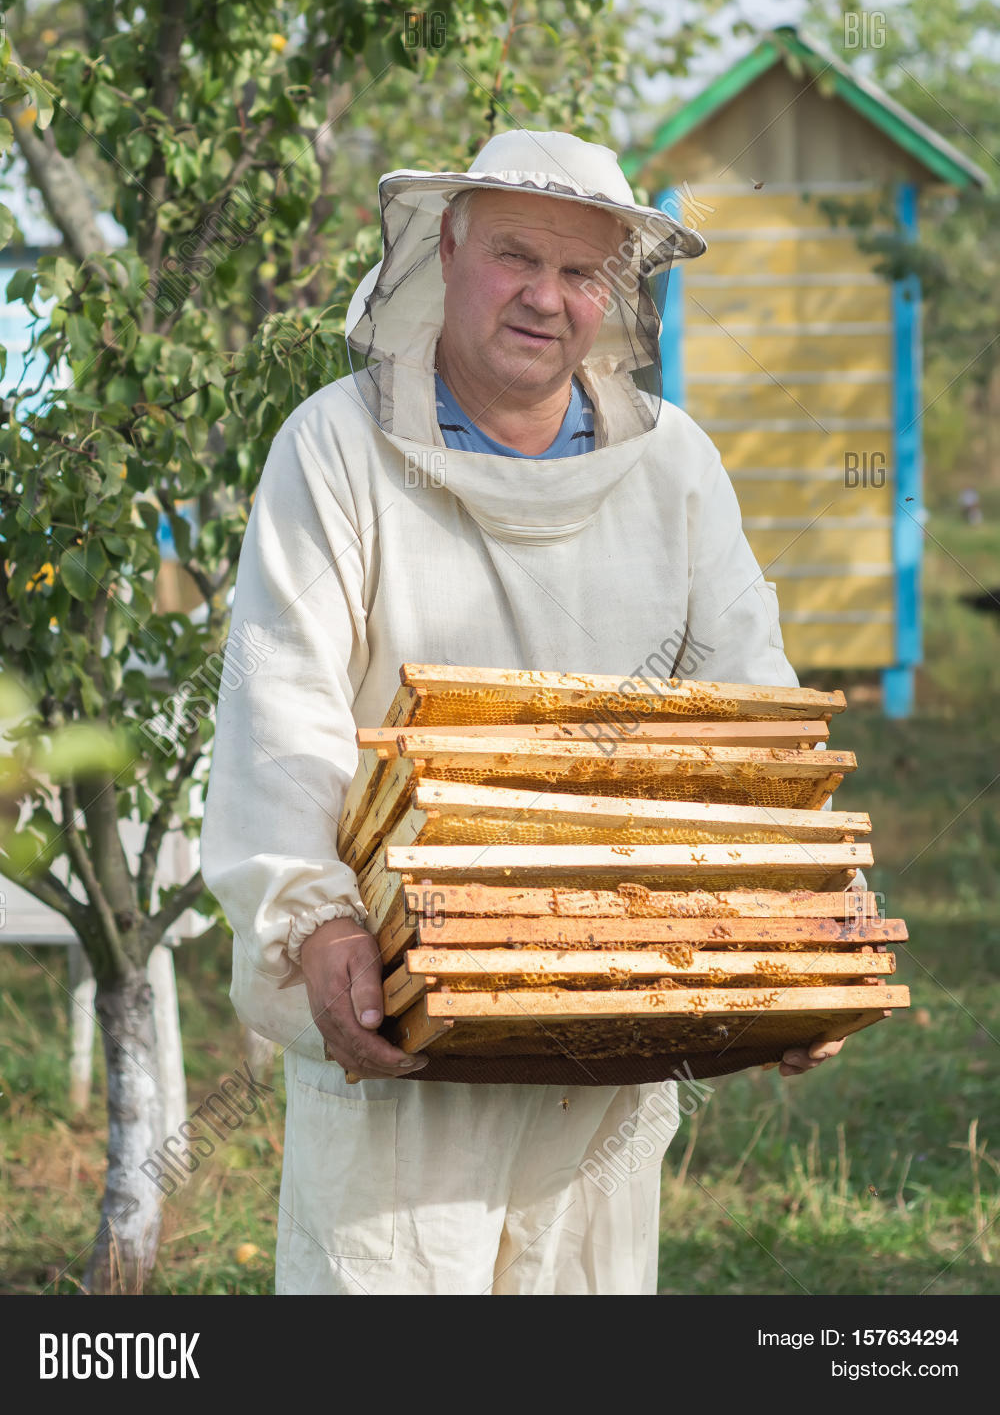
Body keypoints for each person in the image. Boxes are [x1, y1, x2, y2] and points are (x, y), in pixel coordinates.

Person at [201, 129, 847, 1296]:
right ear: (445, 252)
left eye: (580, 272)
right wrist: (319, 922)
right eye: (514, 257)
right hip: (403, 1025)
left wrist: (804, 923)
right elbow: (282, 707)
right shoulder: (335, 450)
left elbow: (754, 708)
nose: (545, 297)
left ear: (615, 292)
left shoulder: (678, 470)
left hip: (611, 1019)